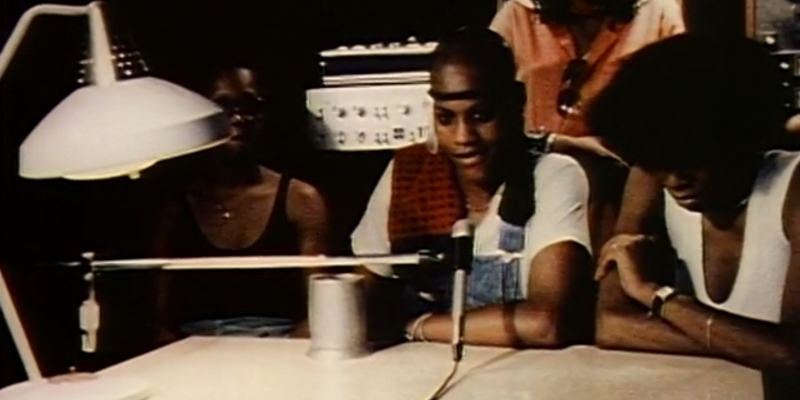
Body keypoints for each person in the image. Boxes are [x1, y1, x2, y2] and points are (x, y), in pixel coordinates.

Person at [351, 28, 593, 348]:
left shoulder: (553, 174)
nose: (463, 137)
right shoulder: (407, 174)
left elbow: (546, 323)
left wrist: (413, 326)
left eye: (481, 116)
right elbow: (358, 304)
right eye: (446, 118)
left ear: (517, 102)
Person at [590, 34, 800, 372]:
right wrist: (747, 345)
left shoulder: (793, 187)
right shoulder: (650, 176)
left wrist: (655, 295)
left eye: (693, 158)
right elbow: (612, 325)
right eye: (660, 161)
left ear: (740, 139)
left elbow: (792, 355)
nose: (675, 180)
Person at [142, 66, 329, 337]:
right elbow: (157, 318)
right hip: (195, 352)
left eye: (249, 106)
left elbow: (322, 312)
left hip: (280, 350)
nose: (239, 118)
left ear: (265, 116)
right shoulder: (174, 205)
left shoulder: (300, 199)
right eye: (224, 106)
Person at [489, 0, 685, 253]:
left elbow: (683, 114)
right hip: (529, 181)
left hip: (630, 182)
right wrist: (554, 142)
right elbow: (479, 108)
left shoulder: (658, 12)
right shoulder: (517, 14)